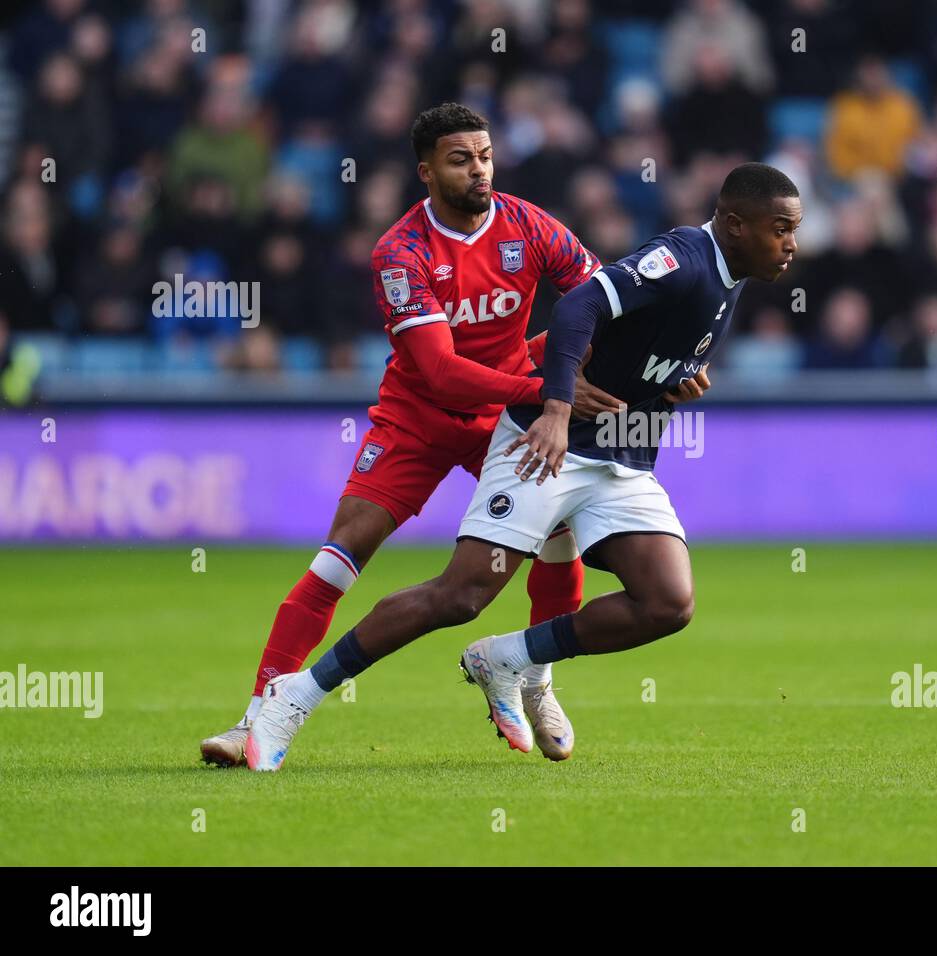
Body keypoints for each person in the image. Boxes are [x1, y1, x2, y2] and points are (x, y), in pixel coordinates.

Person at [244, 162, 802, 770]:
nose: (792, 243)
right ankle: (292, 696)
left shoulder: (734, 271)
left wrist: (672, 379)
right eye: (781, 229)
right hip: (546, 444)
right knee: (460, 596)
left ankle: (510, 659)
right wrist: (556, 408)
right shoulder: (682, 259)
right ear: (733, 223)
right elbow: (577, 308)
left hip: (622, 458)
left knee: (668, 603)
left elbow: (634, 339)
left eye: (793, 229)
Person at [200, 103, 620, 766]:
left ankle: (536, 680)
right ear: (426, 171)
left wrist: (652, 355)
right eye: (460, 159)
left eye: (484, 155)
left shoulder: (528, 224)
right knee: (342, 552)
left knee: (560, 533)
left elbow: (600, 298)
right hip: (417, 418)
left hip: (504, 417)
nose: (478, 170)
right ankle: (255, 718)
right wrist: (544, 387)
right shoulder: (400, 253)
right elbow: (444, 373)